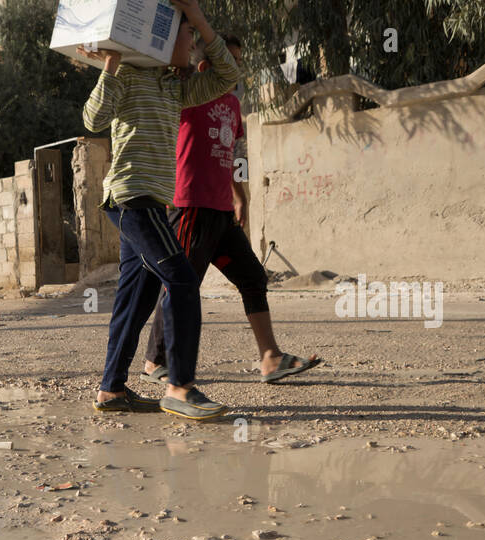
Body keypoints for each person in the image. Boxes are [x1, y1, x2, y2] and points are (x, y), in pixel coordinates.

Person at [80, 0, 238, 421]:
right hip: (132, 198)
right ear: (164, 39)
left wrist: (199, 18)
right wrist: (111, 65)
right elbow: (94, 120)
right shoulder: (129, 75)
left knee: (137, 297)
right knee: (182, 279)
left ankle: (111, 391)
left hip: (150, 200)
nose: (192, 42)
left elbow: (228, 75)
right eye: (186, 33)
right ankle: (180, 388)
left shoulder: (176, 86)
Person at [141, 36, 320, 385]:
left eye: (238, 61)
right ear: (206, 67)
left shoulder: (232, 104)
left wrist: (240, 195)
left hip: (221, 208)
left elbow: (229, 153)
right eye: (230, 61)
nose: (237, 68)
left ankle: (270, 358)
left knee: (253, 277)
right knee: (181, 284)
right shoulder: (186, 95)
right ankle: (155, 361)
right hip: (190, 205)